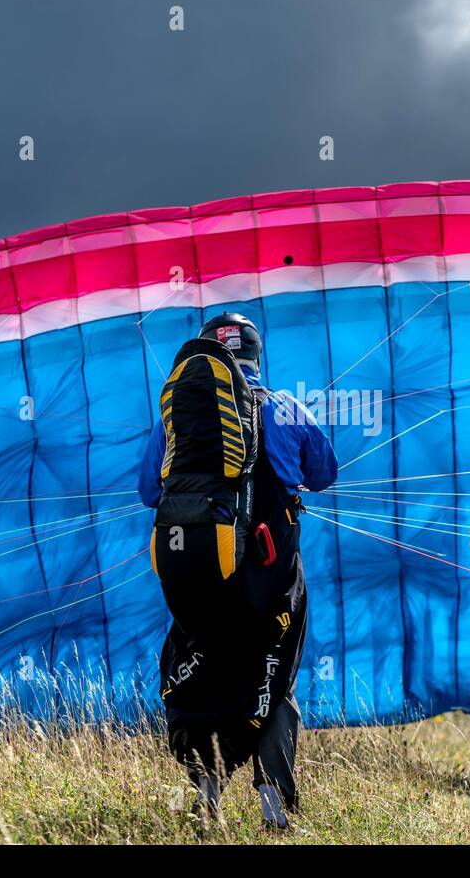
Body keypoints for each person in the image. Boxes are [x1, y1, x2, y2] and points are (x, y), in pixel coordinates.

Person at [138, 312, 337, 828]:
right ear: (255, 355)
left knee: (201, 675)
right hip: (269, 580)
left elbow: (146, 491)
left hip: (199, 575)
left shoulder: (177, 420)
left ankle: (206, 799)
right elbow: (324, 474)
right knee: (273, 682)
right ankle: (273, 812)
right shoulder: (284, 408)